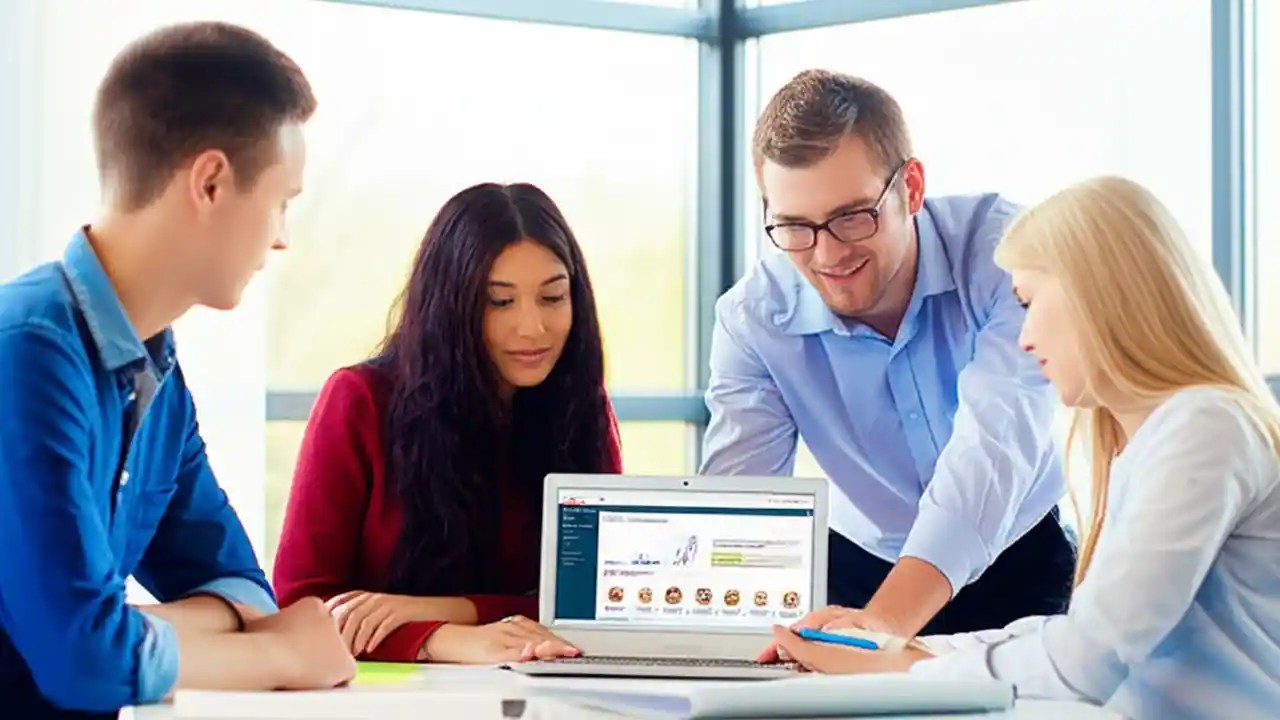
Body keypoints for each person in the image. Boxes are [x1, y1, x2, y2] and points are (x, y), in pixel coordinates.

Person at [766, 176, 1280, 719]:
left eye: (1030, 302)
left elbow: (1083, 661)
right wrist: (891, 649)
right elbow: (1070, 636)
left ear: (1100, 297)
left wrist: (898, 666)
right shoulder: (1155, 441)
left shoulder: (1204, 429)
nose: (1025, 336)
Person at [0, 22, 355, 718]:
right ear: (213, 182)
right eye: (282, 201)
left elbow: (246, 589)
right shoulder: (26, 353)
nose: (282, 236)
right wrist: (281, 656)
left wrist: (122, 637)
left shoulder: (155, 371)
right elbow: (84, 665)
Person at [701, 68, 1074, 638]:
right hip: (858, 570)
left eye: (852, 217)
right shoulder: (752, 319)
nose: (827, 254)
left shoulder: (1007, 256)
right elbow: (742, 502)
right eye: (795, 226)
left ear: (912, 188)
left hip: (1019, 556)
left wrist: (883, 627)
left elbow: (995, 448)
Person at [273, 182, 623, 664]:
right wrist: (441, 638)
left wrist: (437, 610)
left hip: (541, 686)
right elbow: (300, 607)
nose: (532, 327)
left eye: (552, 297)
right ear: (450, 306)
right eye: (499, 302)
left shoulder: (582, 407)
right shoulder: (360, 402)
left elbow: (598, 605)